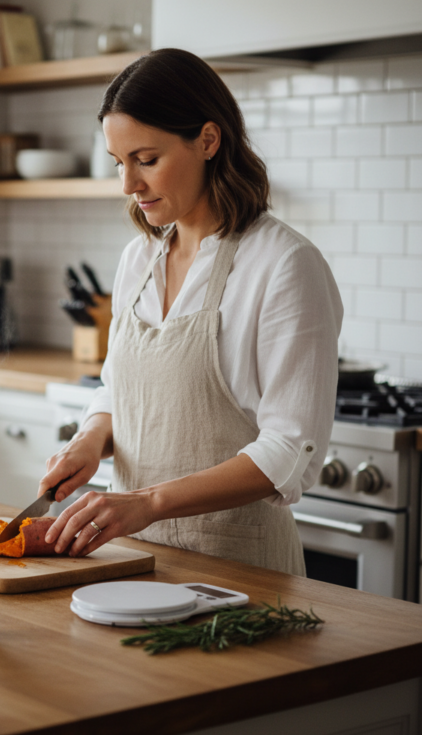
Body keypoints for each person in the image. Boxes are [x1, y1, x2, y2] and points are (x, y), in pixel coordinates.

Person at [39, 49, 343, 575]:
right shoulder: (138, 258)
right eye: (119, 163)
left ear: (207, 140)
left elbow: (289, 450)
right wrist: (89, 441)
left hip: (242, 573)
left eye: (146, 159)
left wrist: (148, 502)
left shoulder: (285, 264)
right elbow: (119, 389)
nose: (128, 185)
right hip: (131, 563)